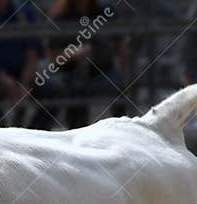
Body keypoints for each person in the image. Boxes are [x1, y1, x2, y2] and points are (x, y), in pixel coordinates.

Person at [32, 0, 126, 130]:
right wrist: (73, 54)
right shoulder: (61, 15)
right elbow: (53, 57)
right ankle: (52, 134)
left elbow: (120, 45)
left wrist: (98, 52)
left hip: (101, 69)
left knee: (118, 86)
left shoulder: (106, 11)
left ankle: (123, 133)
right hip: (68, 71)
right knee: (64, 89)